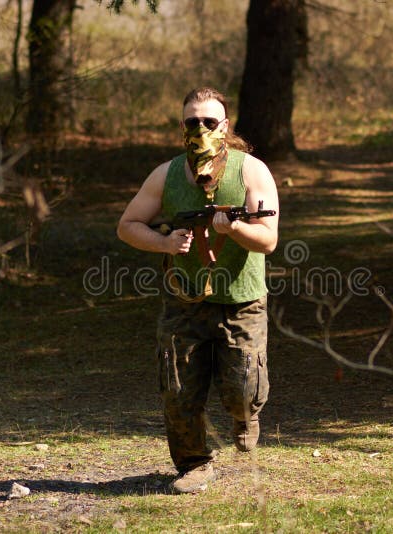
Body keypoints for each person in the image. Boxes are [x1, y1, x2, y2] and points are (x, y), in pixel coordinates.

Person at [117, 87, 279, 494]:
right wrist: (166, 243)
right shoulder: (166, 175)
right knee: (178, 390)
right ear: (182, 127)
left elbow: (269, 239)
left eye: (209, 121)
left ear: (225, 126)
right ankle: (194, 464)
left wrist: (236, 228)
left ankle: (245, 416)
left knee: (243, 389)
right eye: (193, 121)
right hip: (184, 300)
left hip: (242, 299)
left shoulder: (251, 171)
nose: (201, 128)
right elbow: (128, 225)